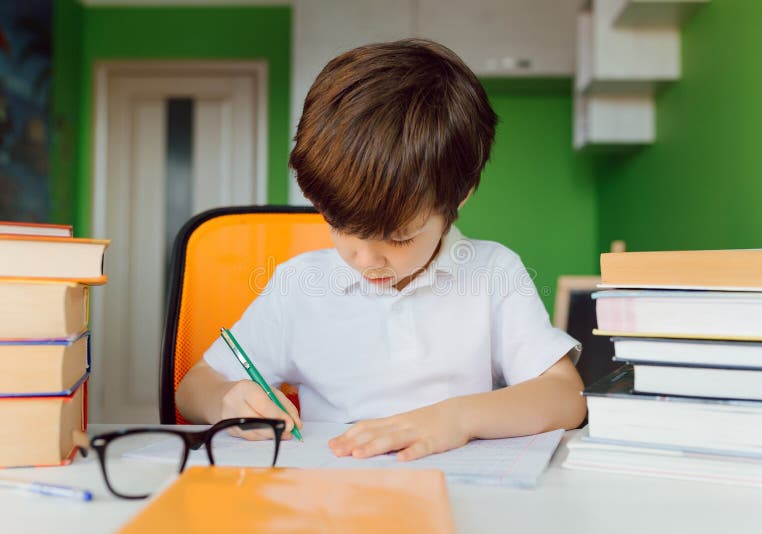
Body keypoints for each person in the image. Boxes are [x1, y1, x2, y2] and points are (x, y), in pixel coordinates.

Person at [176, 39, 586, 462]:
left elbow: (567, 395)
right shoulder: (299, 286)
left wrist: (457, 419)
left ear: (459, 197)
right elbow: (193, 388)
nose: (366, 259)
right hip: (331, 500)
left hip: (457, 497)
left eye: (399, 237)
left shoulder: (491, 273)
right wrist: (227, 399)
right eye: (340, 227)